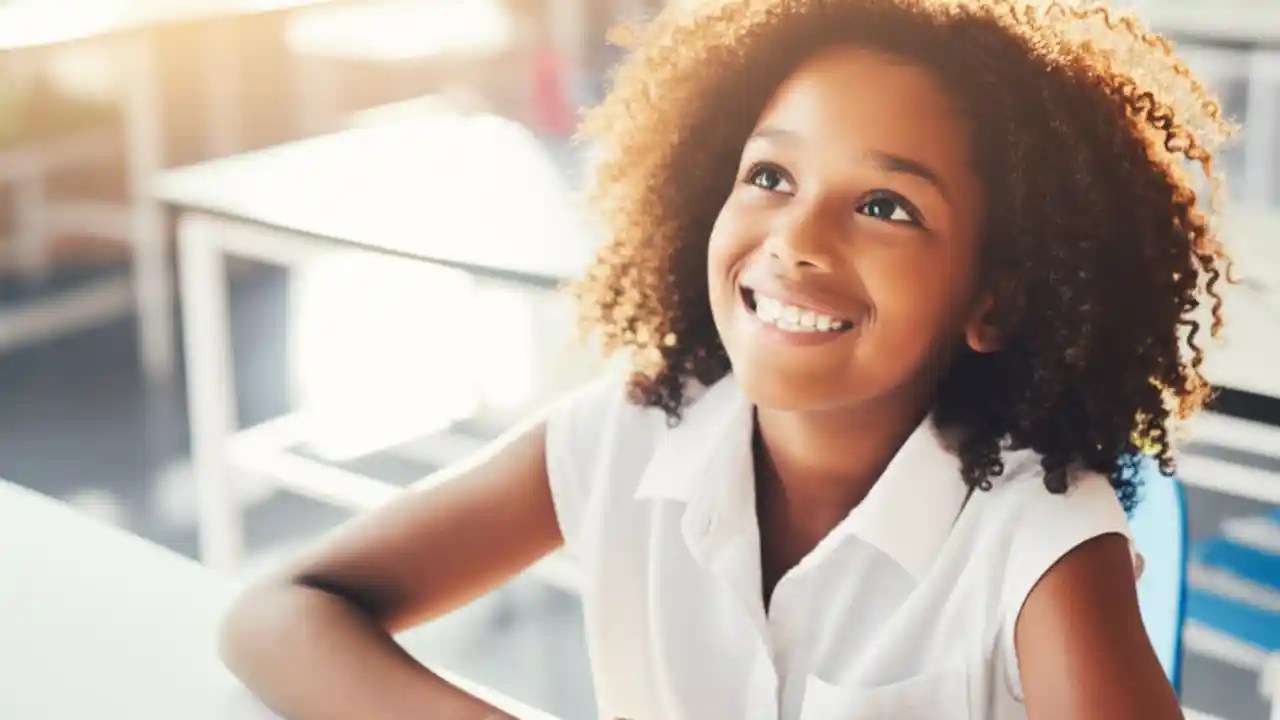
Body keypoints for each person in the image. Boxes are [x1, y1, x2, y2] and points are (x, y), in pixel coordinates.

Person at [218, 1, 1233, 717]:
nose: (796, 239)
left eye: (885, 205)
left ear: (994, 301)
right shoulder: (627, 432)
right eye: (771, 175)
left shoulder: (1036, 540)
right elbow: (280, 612)